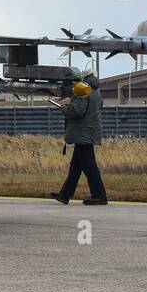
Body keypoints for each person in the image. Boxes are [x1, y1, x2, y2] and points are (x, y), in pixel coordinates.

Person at [49, 70, 107, 205]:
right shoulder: (96, 91)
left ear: (82, 77)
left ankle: (99, 195)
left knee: (89, 166)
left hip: (82, 133)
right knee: (76, 166)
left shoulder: (82, 89)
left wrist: (64, 109)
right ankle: (65, 194)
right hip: (90, 131)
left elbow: (76, 111)